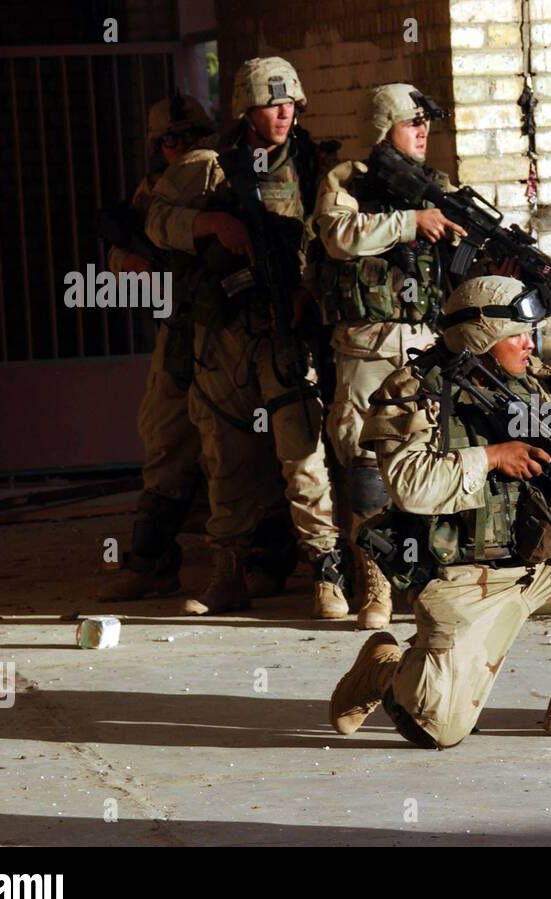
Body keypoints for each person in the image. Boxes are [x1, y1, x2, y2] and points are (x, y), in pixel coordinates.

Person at [327, 276, 551, 748]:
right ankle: (384, 667)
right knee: (435, 729)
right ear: (480, 334)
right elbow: (410, 485)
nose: (529, 344)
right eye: (517, 333)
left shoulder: (543, 385)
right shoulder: (414, 390)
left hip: (545, 565)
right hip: (466, 579)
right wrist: (491, 457)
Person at [146, 57, 346, 619]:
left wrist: (310, 288)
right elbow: (156, 221)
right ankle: (227, 573)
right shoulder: (207, 166)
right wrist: (210, 225)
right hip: (224, 335)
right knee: (226, 459)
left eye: (289, 105)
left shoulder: (316, 166)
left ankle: (327, 572)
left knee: (303, 456)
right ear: (246, 109)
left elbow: (336, 238)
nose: (283, 114)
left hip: (286, 334)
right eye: (270, 104)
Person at [98, 94, 297, 603]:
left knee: (253, 447)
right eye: (172, 139)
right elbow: (121, 253)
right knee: (165, 441)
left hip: (235, 329)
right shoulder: (154, 195)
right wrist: (134, 265)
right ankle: (151, 561)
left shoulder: (226, 177)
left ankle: (266, 560)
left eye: (193, 137)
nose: (183, 147)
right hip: (182, 332)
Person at [311, 83, 464, 629]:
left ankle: (428, 582)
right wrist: (408, 222)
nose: (423, 132)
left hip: (424, 349)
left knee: (430, 464)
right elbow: (338, 237)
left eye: (426, 123)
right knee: (367, 469)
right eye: (411, 123)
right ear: (383, 129)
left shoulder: (440, 188)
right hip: (366, 350)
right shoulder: (346, 181)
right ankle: (373, 586)